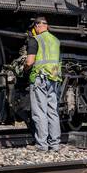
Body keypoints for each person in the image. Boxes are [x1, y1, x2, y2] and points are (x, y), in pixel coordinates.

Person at [24, 17, 62, 151]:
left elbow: (29, 62)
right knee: (53, 111)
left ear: (37, 26)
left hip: (40, 78)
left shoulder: (35, 40)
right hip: (53, 78)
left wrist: (24, 69)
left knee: (40, 112)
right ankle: (55, 144)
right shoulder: (56, 40)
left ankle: (42, 145)